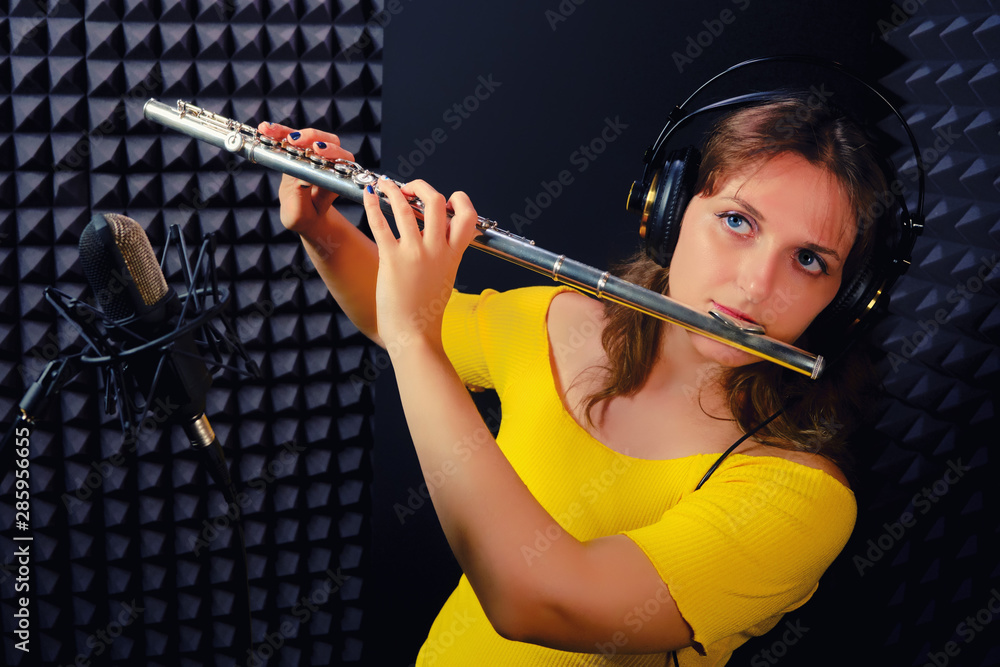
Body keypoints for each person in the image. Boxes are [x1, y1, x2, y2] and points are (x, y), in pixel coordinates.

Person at [257, 92, 890, 665]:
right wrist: (324, 228)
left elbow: (537, 602)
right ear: (669, 211)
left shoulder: (801, 497)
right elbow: (394, 311)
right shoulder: (559, 322)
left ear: (843, 298)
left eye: (809, 260)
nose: (757, 285)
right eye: (737, 221)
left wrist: (410, 339)